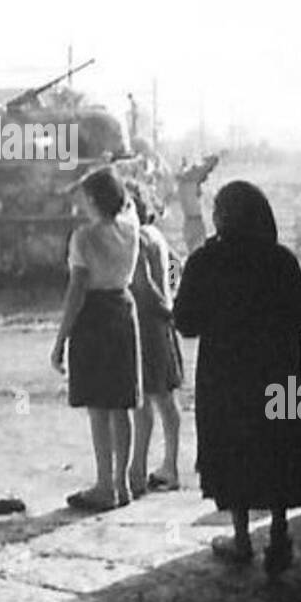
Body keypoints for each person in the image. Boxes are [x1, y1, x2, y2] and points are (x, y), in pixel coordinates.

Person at [172, 180, 301, 575]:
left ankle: (242, 538)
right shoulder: (281, 260)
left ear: (223, 216)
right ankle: (279, 535)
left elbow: (186, 323)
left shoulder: (205, 261)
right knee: (279, 448)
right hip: (278, 373)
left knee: (233, 450)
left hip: (225, 378)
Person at [51, 167, 142, 511]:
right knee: (121, 402)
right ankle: (122, 483)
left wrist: (61, 340)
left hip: (94, 316)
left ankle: (105, 486)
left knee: (98, 407)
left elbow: (76, 290)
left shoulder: (83, 238)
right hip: (123, 308)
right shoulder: (131, 230)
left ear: (92, 199)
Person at [126, 183, 185, 495]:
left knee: (143, 401)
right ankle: (170, 466)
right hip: (162, 323)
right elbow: (177, 265)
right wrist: (170, 300)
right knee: (166, 400)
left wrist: (158, 302)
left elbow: (142, 283)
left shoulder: (136, 239)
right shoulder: (156, 235)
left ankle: (136, 470)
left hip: (146, 322)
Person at [176, 153, 220, 253]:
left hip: (190, 222)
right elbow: (204, 169)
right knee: (199, 252)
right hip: (195, 222)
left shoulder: (185, 183)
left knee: (194, 252)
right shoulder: (189, 181)